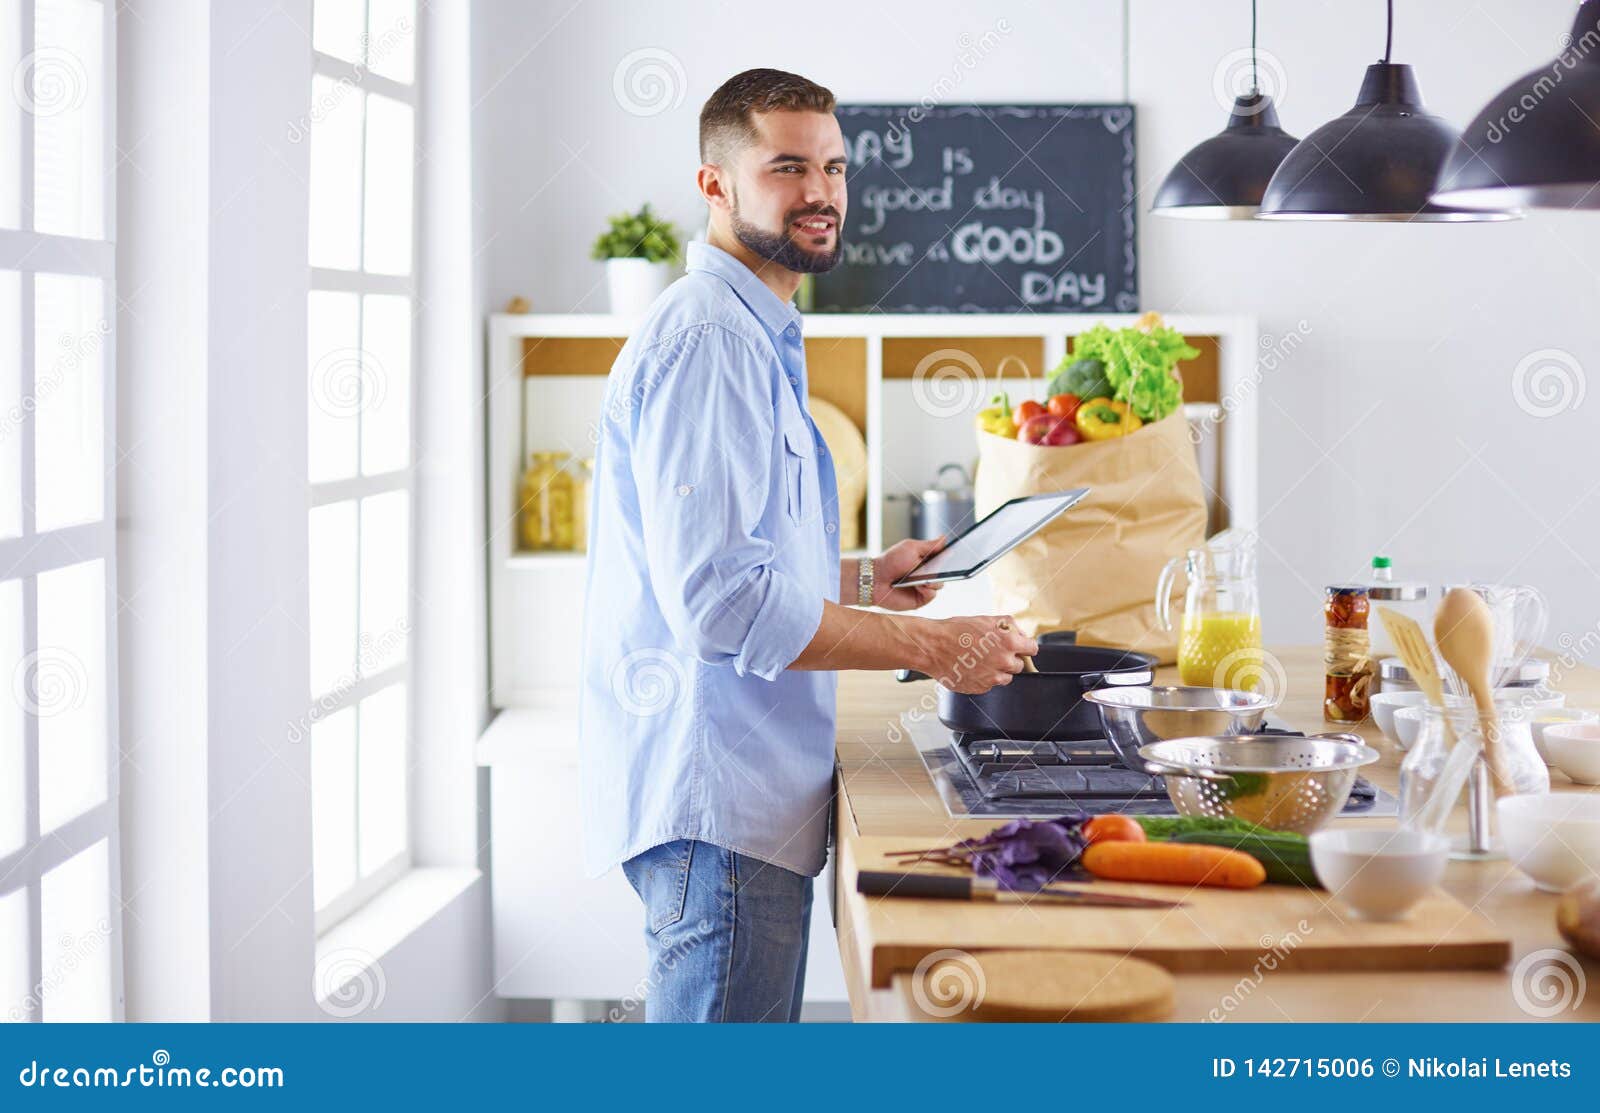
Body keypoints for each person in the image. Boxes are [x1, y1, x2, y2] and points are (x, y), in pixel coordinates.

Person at [577, 68, 1037, 1023]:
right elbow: (720, 605)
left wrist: (869, 577)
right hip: (723, 813)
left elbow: (732, 561)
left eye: (834, 167)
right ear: (715, 186)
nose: (821, 192)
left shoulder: (756, 332)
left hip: (749, 806)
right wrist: (934, 646)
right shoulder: (710, 341)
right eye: (788, 167)